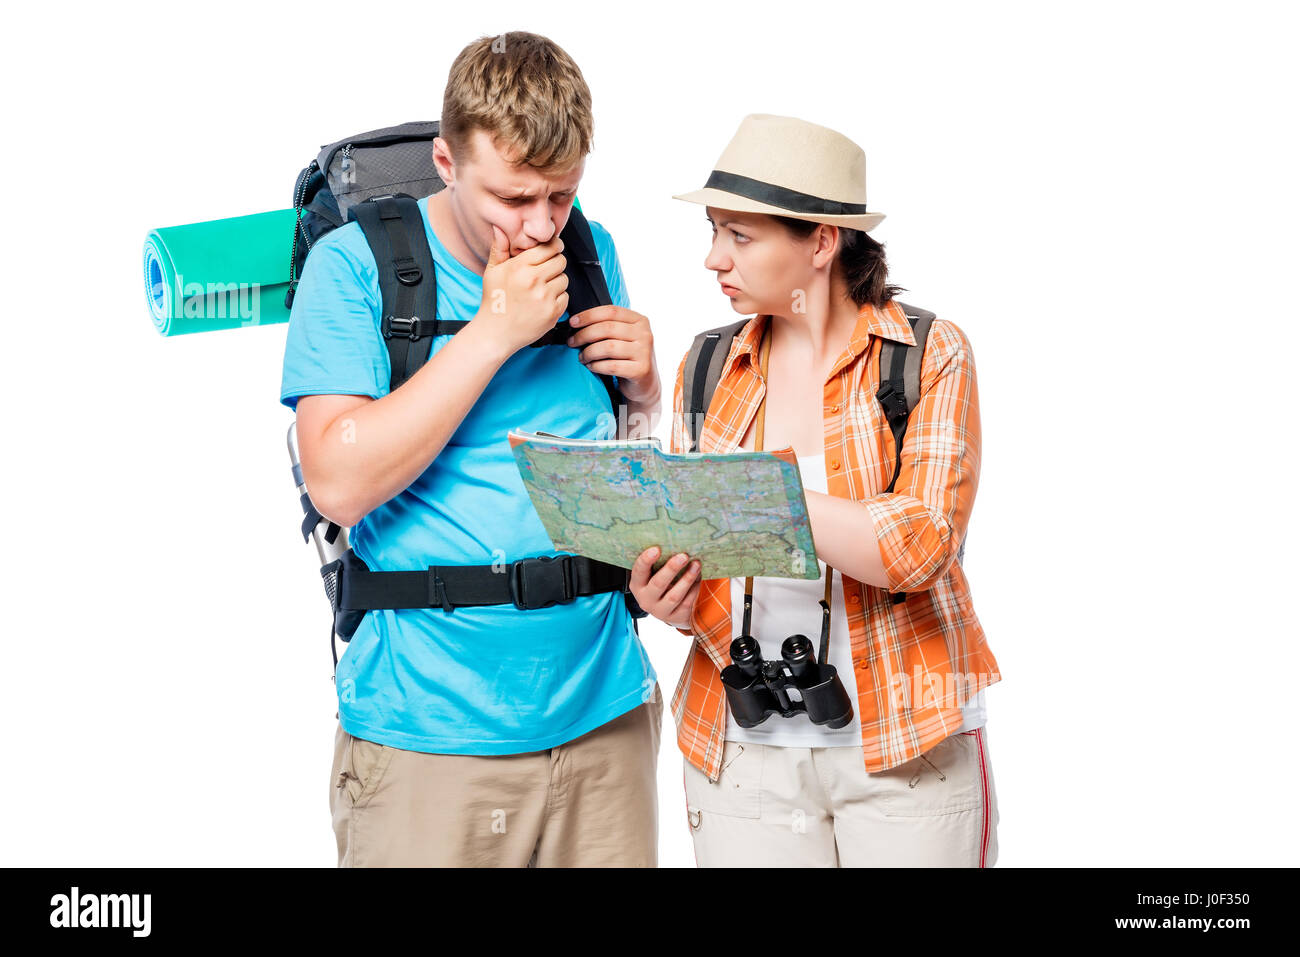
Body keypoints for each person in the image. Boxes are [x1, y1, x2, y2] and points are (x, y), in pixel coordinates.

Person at [280, 32, 664, 867]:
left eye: (560, 196)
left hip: (604, 723)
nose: (537, 228)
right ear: (447, 163)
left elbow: (624, 473)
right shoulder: (355, 268)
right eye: (512, 198)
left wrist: (645, 395)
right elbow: (339, 480)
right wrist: (494, 331)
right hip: (428, 738)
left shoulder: (592, 254)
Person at [628, 114, 1002, 867]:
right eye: (713, 231)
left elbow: (921, 545)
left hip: (905, 748)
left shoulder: (929, 352)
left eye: (740, 235)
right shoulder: (707, 363)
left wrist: (761, 490)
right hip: (741, 749)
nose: (712, 258)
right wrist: (666, 595)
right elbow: (700, 546)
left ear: (822, 241)